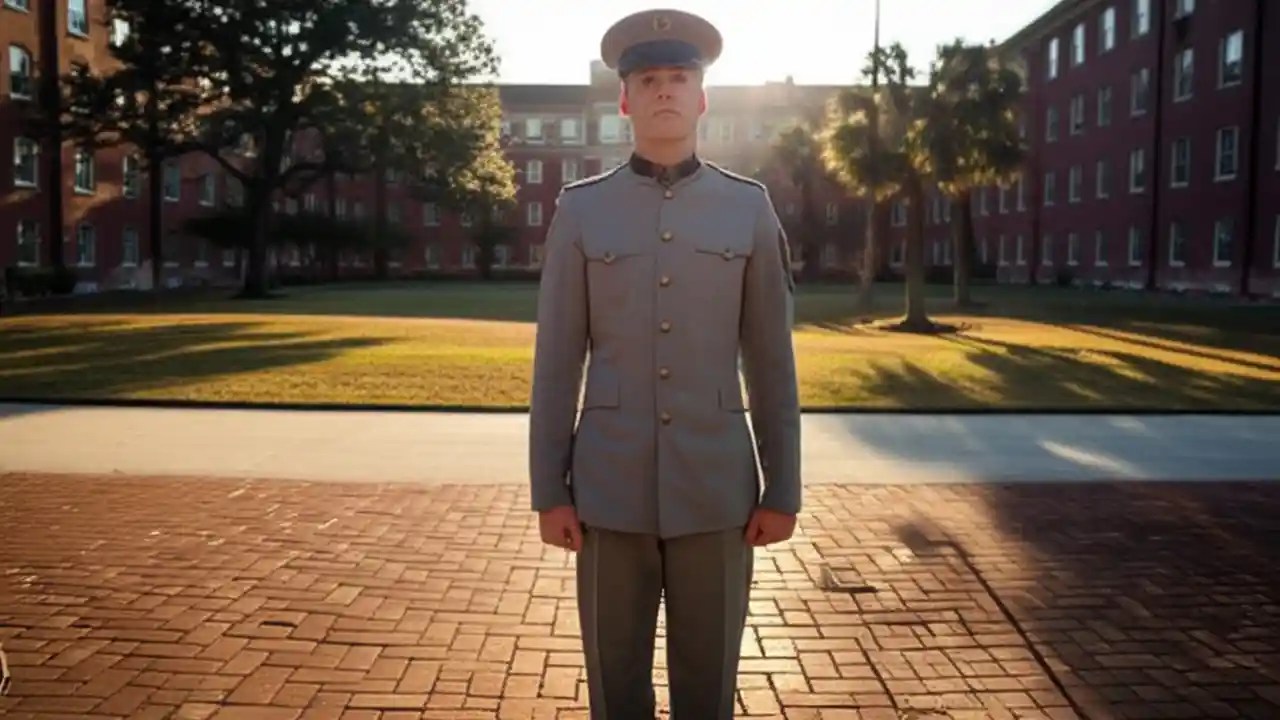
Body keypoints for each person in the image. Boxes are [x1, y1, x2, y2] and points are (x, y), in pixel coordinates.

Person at [527, 7, 801, 719]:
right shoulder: (582, 211)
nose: (665, 91)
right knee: (615, 688)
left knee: (707, 689)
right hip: (607, 491)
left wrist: (784, 487)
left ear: (703, 96)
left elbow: (772, 361)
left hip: (716, 490)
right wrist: (547, 489)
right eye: (648, 80)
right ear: (624, 99)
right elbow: (556, 360)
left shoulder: (747, 208)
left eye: (680, 77)